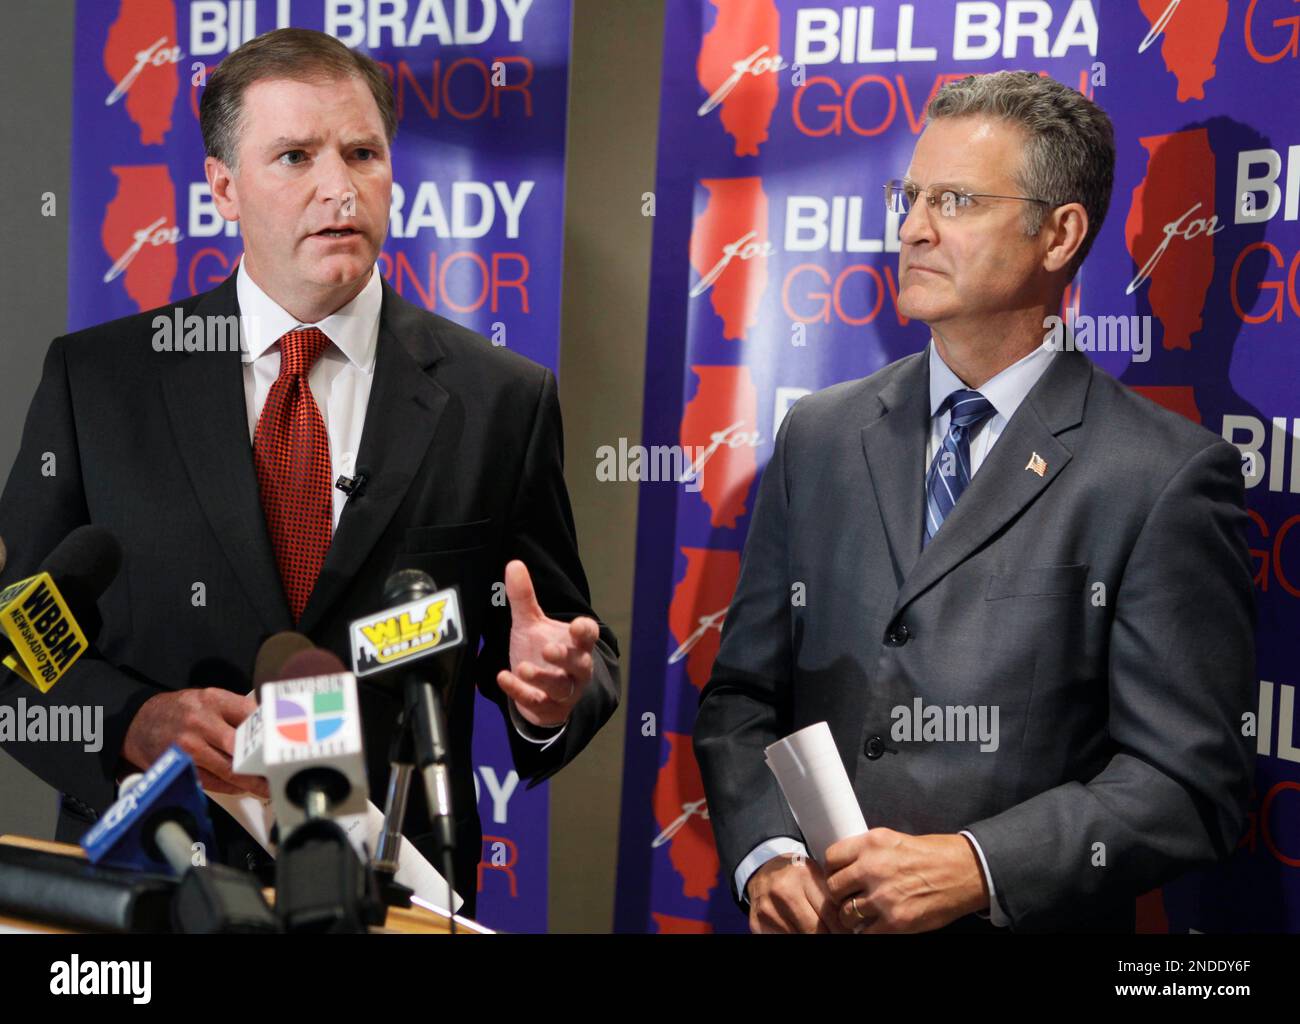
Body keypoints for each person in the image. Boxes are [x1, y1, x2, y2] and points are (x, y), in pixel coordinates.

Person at [0, 28, 619, 917]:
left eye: (362, 153)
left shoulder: (499, 400)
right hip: (151, 891)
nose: (340, 187)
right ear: (223, 188)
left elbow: (566, 645)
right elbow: (12, 642)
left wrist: (550, 696)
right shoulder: (99, 383)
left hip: (386, 899)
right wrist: (131, 720)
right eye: (295, 156)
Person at [693, 71, 1254, 933]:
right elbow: (740, 698)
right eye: (911, 196)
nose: (913, 229)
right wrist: (766, 853)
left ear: (1059, 235)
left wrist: (980, 865)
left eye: (955, 201)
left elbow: (1188, 786)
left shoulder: (1162, 476)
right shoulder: (821, 435)